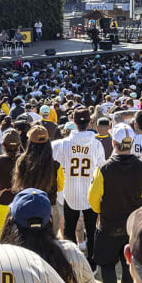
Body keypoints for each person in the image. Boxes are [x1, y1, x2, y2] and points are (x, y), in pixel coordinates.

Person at [90, 125, 142, 283]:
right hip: (131, 225)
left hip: (108, 224)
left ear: (113, 142)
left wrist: (101, 211)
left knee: (107, 265)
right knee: (128, 265)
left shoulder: (104, 168)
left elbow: (93, 198)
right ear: (132, 143)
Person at [57, 109, 106, 257]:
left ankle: (71, 259)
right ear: (89, 123)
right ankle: (91, 262)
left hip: (69, 191)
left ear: (74, 122)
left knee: (69, 229)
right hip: (90, 191)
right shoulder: (97, 144)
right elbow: (102, 168)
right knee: (91, 230)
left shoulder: (63, 143)